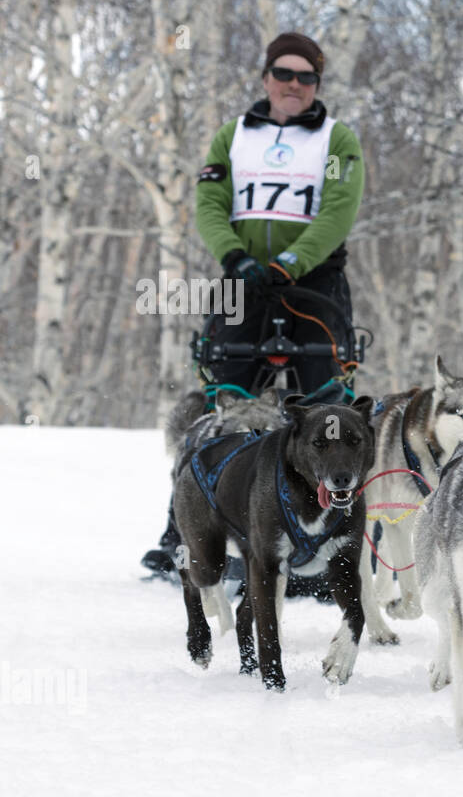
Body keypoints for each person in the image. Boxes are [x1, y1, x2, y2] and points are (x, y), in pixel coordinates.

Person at [141, 32, 365, 581]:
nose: (293, 85)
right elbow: (210, 202)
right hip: (241, 278)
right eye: (283, 74)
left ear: (317, 84)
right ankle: (188, 530)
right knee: (225, 405)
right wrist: (235, 255)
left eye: (305, 77)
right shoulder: (232, 136)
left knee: (326, 409)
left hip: (313, 282)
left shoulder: (338, 140)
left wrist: (291, 260)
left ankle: (328, 541)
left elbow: (339, 207)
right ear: (266, 77)